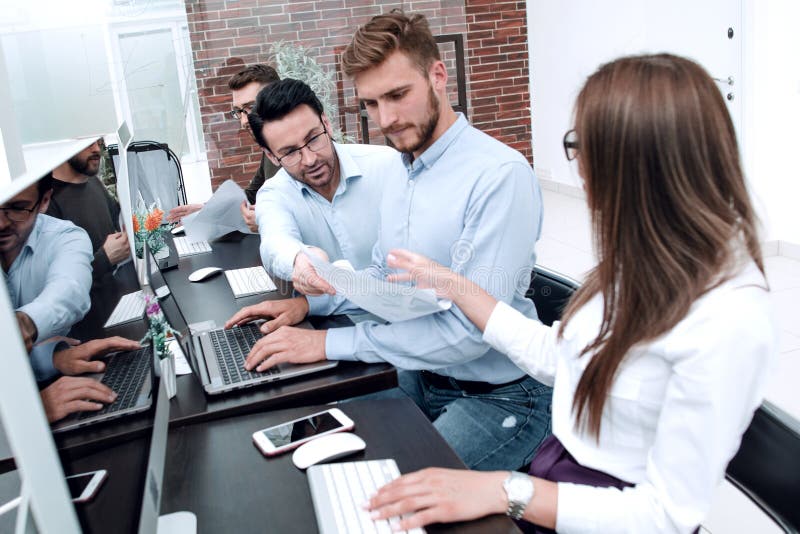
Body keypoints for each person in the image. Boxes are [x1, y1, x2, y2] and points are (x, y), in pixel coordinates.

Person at [362, 54, 777, 533]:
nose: (577, 168)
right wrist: (454, 285)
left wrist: (505, 489)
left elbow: (665, 517)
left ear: (643, 163)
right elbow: (560, 356)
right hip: (561, 483)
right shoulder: (645, 265)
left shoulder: (728, 314)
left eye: (582, 146)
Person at [229, 11, 551, 472]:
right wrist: (310, 304)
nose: (387, 119)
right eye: (372, 104)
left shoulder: (499, 175)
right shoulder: (403, 170)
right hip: (424, 373)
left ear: (438, 75)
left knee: (389, 489)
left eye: (398, 95)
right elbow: (384, 279)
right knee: (318, 452)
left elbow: (470, 334)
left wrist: (328, 344)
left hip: (502, 396)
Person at [224, 78, 403, 331]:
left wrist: (309, 304)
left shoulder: (388, 167)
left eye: (313, 139)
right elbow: (275, 242)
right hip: (336, 334)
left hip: (409, 327)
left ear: (326, 124)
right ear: (272, 156)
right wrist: (298, 260)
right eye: (290, 152)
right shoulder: (274, 195)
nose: (309, 159)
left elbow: (399, 279)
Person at [167, 64, 282, 232]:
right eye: (239, 112)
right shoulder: (270, 149)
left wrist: (268, 220)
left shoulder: (304, 152)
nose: (244, 121)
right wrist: (206, 209)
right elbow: (251, 197)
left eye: (251, 107)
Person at [2, 175, 92, 380]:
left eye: (17, 209)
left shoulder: (65, 237)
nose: (1, 224)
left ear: (44, 201)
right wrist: (47, 357)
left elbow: (69, 289)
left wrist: (26, 325)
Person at [48, 139, 130, 282]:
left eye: (99, 142)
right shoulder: (47, 203)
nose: (97, 149)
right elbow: (59, 283)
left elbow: (118, 219)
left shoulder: (92, 181)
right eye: (88, 143)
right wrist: (104, 259)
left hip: (118, 288)